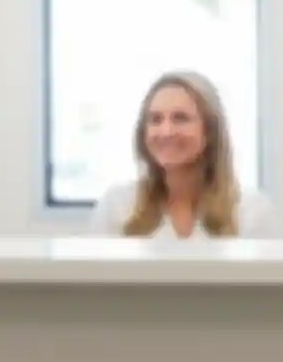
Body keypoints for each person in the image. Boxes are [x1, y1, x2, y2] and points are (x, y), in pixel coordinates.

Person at [90, 70, 270, 238]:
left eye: (180, 118)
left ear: (210, 131)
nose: (166, 131)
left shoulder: (250, 211)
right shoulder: (117, 206)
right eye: (155, 119)